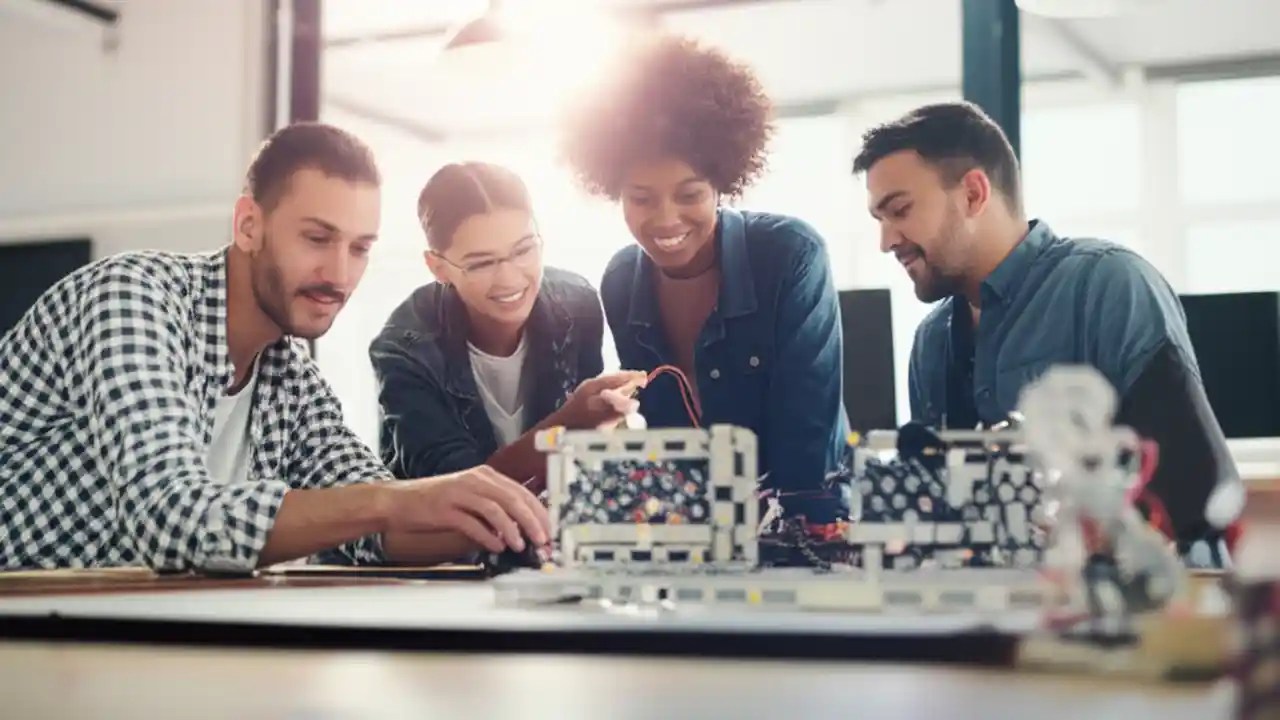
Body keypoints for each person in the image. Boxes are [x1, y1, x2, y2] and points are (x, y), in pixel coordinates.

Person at [0, 123, 549, 571]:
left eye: (359, 248)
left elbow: (377, 531)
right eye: (317, 238)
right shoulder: (131, 298)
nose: (339, 274)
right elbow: (169, 518)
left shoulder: (289, 377)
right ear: (247, 226)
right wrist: (400, 500)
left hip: (107, 645)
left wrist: (501, 523)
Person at [851, 100, 1241, 552]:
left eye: (899, 211)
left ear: (974, 194)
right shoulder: (932, 342)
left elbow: (1195, 494)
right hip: (981, 613)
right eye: (879, 220)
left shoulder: (1109, 286)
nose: (886, 242)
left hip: (1130, 606)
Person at [559, 34, 851, 523]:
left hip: (805, 522)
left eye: (689, 194)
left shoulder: (790, 255)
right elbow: (662, 441)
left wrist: (791, 538)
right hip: (696, 533)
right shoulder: (620, 280)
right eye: (642, 198)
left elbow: (809, 438)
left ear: (721, 183)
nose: (666, 220)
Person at [370, 162, 645, 491]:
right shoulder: (405, 349)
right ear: (438, 267)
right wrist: (566, 423)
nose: (510, 278)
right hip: (447, 537)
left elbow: (582, 458)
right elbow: (451, 495)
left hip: (546, 527)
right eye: (481, 263)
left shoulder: (577, 305)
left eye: (524, 249)